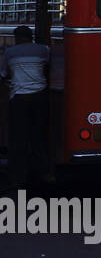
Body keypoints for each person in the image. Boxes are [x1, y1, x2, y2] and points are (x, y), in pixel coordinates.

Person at [2, 26, 51, 190]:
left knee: (19, 139)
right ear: (31, 37)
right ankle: (45, 173)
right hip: (40, 97)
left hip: (20, 98)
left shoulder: (10, 52)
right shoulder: (43, 49)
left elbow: (4, 74)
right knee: (39, 136)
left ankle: (18, 178)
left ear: (17, 38)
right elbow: (47, 66)